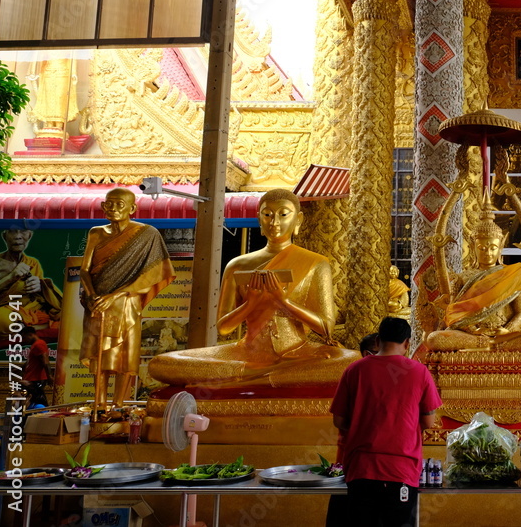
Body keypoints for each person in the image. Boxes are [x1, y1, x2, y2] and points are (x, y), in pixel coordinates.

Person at [149, 189, 358, 388]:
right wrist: (251, 304)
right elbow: (223, 327)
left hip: (296, 352)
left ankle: (249, 376)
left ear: (298, 220)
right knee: (162, 363)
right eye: (267, 215)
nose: (275, 222)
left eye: (283, 214)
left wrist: (283, 302)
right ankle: (267, 376)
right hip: (246, 352)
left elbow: (326, 327)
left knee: (351, 362)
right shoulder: (238, 265)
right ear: (259, 219)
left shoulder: (316, 263)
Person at [331, 317, 441, 527]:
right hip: (402, 469)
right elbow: (428, 421)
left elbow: (339, 420)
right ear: (407, 343)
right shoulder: (419, 372)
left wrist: (362, 427)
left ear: (379, 339)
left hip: (361, 469)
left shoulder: (354, 370)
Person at [80, 188, 175, 411]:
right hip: (97, 302)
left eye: (120, 205)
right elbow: (84, 270)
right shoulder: (96, 233)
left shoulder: (147, 234)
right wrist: (93, 295)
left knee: (125, 355)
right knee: (98, 354)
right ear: (103, 207)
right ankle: (99, 403)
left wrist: (115, 294)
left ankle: (118, 404)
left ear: (132, 209)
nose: (113, 209)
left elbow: (153, 274)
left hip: (127, 301)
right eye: (109, 204)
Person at [426, 204, 521, 352]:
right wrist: (473, 329)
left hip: (505, 334)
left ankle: (493, 344)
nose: (488, 252)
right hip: (473, 335)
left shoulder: (511, 275)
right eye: (482, 248)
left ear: (500, 247)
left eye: (493, 248)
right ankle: (488, 344)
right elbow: (455, 314)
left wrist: (507, 330)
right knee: (435, 339)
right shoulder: (463, 278)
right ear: (474, 247)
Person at [326, 332, 383, 527]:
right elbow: (339, 420)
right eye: (382, 352)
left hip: (379, 462)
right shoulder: (352, 373)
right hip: (354, 458)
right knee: (347, 507)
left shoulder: (394, 377)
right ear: (368, 354)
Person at [0, 227, 63, 341]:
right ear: (4, 236)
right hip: (5, 310)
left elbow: (43, 298)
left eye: (23, 231)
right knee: (1, 322)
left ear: (29, 235)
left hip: (30, 309)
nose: (18, 236)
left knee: (66, 316)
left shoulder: (32, 262)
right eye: (12, 231)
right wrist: (10, 278)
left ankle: (25, 328)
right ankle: (35, 328)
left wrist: (40, 286)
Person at [21, 326, 52, 408]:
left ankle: (44, 416)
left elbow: (45, 361)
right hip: (32, 379)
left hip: (35, 379)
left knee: (38, 401)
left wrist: (50, 377)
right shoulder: (35, 345)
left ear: (30, 334)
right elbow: (33, 360)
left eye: (25, 337)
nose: (25, 340)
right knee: (34, 400)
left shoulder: (39, 344)